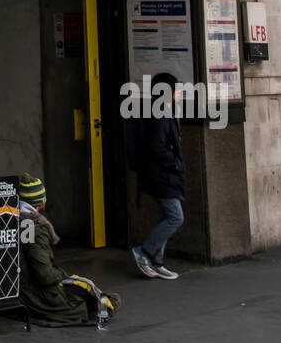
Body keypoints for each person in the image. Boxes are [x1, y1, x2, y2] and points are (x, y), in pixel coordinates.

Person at [18, 175, 122, 325]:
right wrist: (62, 274)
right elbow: (44, 275)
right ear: (40, 202)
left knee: (80, 284)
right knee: (84, 285)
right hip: (37, 297)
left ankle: (104, 299)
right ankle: (105, 303)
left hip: (23, 291)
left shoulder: (14, 219)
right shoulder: (33, 228)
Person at [132, 72, 185, 280]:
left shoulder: (163, 110)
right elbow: (157, 147)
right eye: (176, 89)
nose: (179, 92)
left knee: (166, 216)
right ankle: (144, 252)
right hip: (162, 175)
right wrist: (176, 163)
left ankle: (157, 262)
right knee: (175, 217)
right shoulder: (162, 113)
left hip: (162, 174)